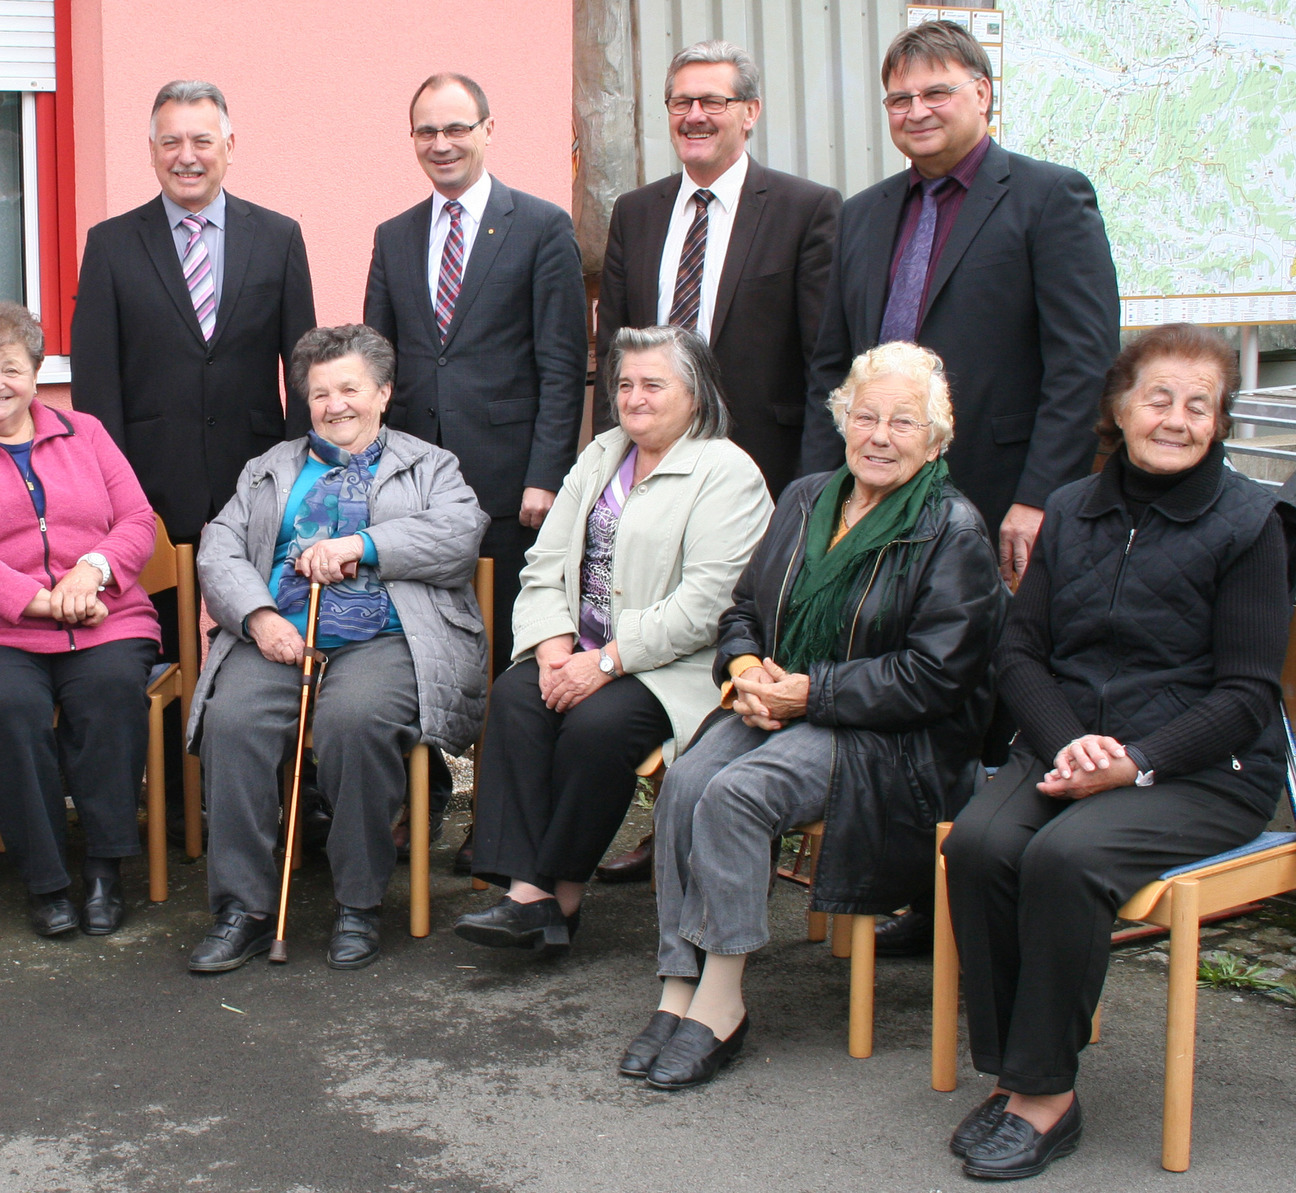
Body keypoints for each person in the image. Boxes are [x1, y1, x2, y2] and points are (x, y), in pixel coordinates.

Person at [796, 19, 1119, 955]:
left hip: (1000, 497)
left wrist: (1041, 494)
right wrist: (823, 495)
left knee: (989, 699)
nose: (916, 110)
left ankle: (990, 906)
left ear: (983, 93)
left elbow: (1082, 359)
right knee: (906, 696)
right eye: (899, 97)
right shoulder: (865, 214)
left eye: (936, 91)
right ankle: (914, 893)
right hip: (881, 507)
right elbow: (832, 368)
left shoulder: (1050, 198)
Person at [941, 325, 1288, 1181]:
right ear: (1121, 407)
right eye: (1159, 398)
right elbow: (1020, 652)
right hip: (1074, 744)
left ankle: (1045, 1097)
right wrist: (1071, 743)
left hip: (1206, 768)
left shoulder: (1251, 523)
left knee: (1066, 856)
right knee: (979, 844)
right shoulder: (1072, 508)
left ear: (1218, 423)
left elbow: (1248, 694)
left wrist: (1135, 760)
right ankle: (1015, 1070)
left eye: (1199, 405)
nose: (1177, 419)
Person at [629, 341, 1005, 1091]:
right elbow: (743, 609)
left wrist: (811, 692)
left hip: (889, 737)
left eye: (903, 422)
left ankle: (721, 1000)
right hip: (782, 703)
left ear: (936, 440)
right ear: (844, 423)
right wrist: (745, 671)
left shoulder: (953, 529)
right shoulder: (805, 499)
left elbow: (936, 677)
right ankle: (677, 983)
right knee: (686, 780)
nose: (880, 436)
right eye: (866, 417)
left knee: (737, 795)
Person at [454, 326, 769, 953]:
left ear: (696, 394)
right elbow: (544, 564)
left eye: (653, 384)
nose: (634, 398)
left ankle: (562, 894)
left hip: (673, 665)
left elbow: (707, 604)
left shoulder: (727, 473)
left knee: (596, 727)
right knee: (516, 698)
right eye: (625, 384)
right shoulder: (602, 454)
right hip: (579, 647)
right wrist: (553, 650)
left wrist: (605, 661)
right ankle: (529, 894)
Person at [186, 324, 488, 973]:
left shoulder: (430, 465)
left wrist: (363, 545)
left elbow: (460, 536)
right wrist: (260, 617)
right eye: (321, 393)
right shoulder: (269, 469)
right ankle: (242, 909)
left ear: (383, 392)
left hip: (387, 636)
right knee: (232, 721)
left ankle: (358, 903)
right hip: (280, 636)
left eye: (349, 389)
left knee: (355, 721)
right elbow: (219, 549)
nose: (335, 405)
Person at [71, 79, 317, 827]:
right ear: (151, 151)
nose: (187, 156)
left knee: (268, 626)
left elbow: (302, 368)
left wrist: (300, 477)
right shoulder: (112, 244)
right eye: (171, 141)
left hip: (258, 475)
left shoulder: (279, 236)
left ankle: (282, 797)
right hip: (153, 481)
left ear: (229, 147)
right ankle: (182, 803)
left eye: (202, 140)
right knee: (170, 638)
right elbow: (96, 384)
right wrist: (116, 491)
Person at [365, 72, 587, 864]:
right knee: (415, 649)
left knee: (500, 661)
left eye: (456, 127)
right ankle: (418, 803)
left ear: (489, 130)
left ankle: (495, 821)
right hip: (414, 496)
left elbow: (563, 364)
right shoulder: (394, 234)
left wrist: (546, 474)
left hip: (507, 491)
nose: (442, 143)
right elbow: (377, 367)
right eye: (427, 130)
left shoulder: (542, 226)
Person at [0, 302, 162, 939]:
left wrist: (89, 573)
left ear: (36, 373)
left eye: (11, 368)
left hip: (100, 615)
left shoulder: (85, 433)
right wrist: (44, 601)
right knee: (9, 705)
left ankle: (104, 870)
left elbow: (136, 519)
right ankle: (46, 881)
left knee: (110, 691)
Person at [594, 40, 839, 494]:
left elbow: (824, 360)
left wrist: (814, 484)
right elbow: (613, 348)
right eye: (681, 102)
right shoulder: (635, 212)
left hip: (762, 465)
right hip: (647, 462)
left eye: (712, 102)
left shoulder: (804, 210)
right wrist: (606, 465)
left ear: (750, 112)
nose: (694, 116)